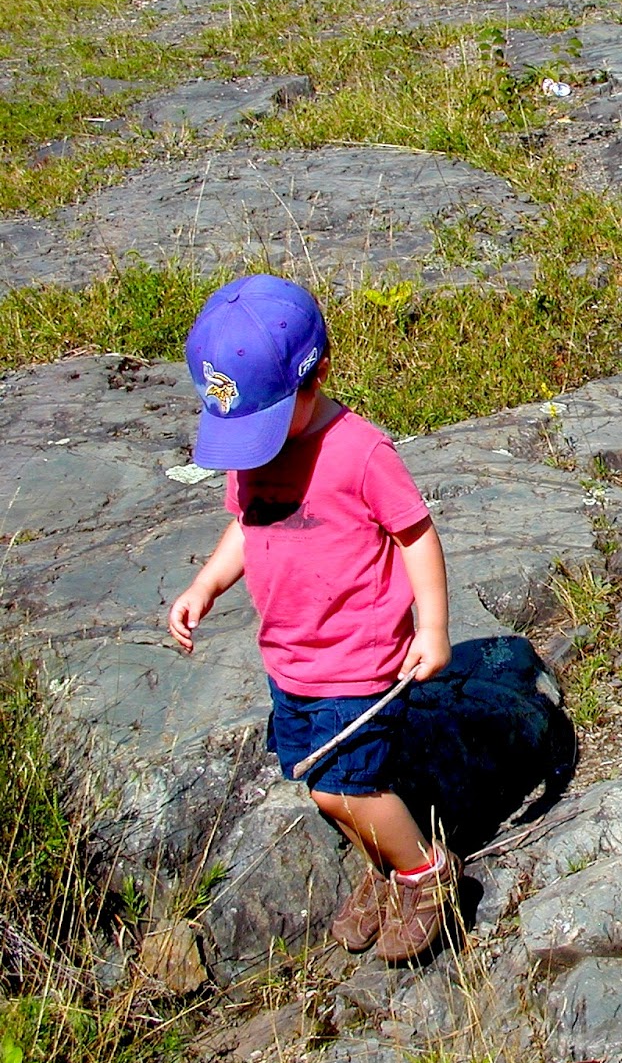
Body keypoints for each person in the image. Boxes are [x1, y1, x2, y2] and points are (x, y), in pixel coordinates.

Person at [166, 273, 458, 963]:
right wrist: (207, 583)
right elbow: (247, 521)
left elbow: (416, 534)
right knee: (317, 779)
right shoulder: (254, 447)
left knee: (341, 788)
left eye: (264, 420)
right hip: (290, 657)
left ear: (317, 374)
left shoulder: (358, 452)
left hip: (357, 660)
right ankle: (382, 873)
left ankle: (426, 872)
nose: (251, 444)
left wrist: (434, 627)